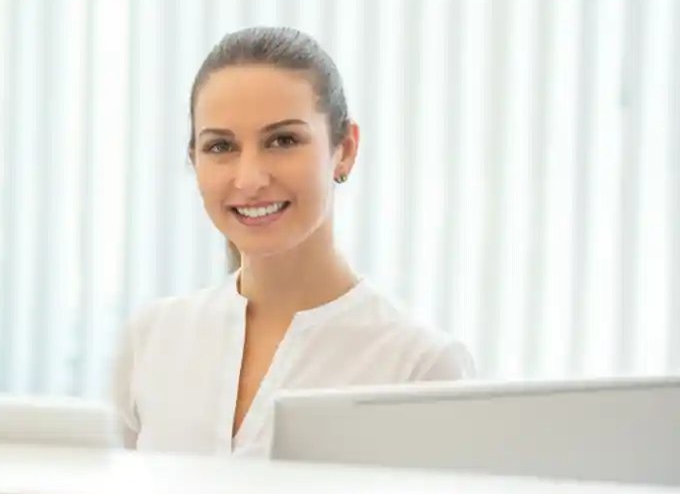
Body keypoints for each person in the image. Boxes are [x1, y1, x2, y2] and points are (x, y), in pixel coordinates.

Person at [111, 26, 475, 458]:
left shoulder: (421, 366)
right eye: (221, 146)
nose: (249, 179)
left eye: (282, 141)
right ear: (195, 160)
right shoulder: (153, 338)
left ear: (345, 149)